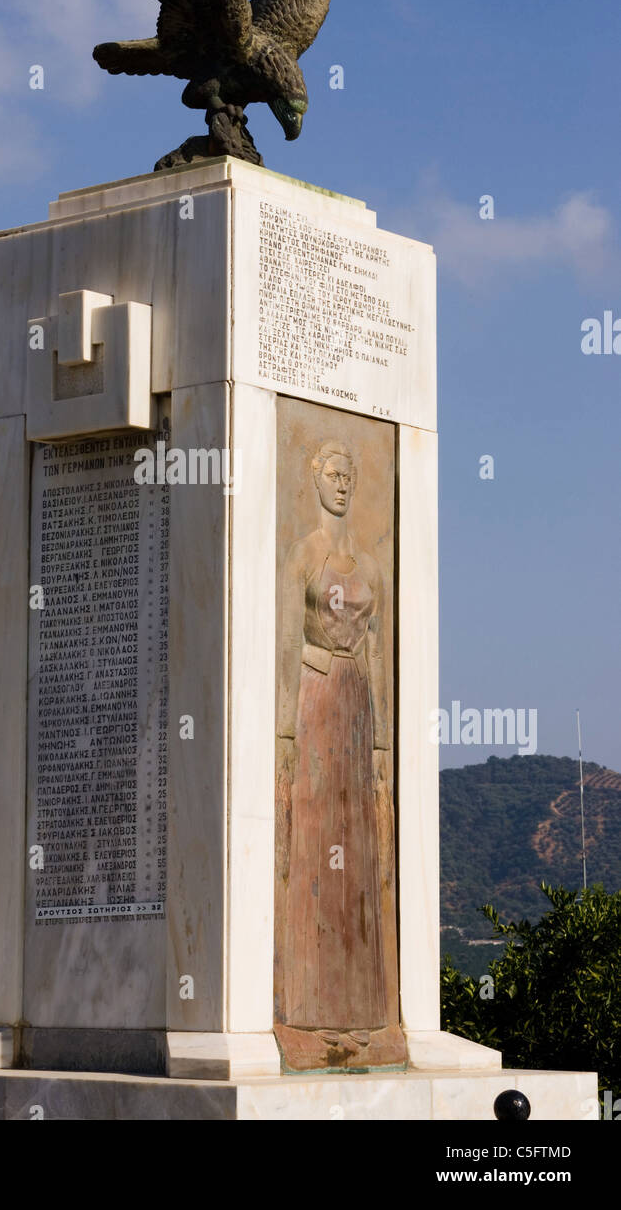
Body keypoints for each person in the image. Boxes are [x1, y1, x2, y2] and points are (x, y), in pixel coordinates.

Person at [274, 439, 404, 1070]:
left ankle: (365, 1016)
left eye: (349, 474)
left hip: (356, 708)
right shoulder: (303, 555)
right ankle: (305, 1012)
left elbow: (377, 652)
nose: (343, 484)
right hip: (314, 698)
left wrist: (381, 742)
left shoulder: (373, 569)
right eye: (332, 474)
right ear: (315, 479)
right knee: (315, 849)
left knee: (358, 856)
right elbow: (283, 640)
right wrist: (283, 731)